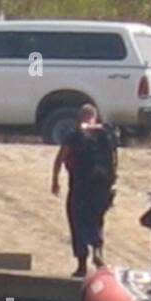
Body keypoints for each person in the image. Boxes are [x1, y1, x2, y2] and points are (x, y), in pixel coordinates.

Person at [51, 104, 118, 276]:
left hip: (80, 186)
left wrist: (55, 181)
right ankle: (97, 250)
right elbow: (114, 160)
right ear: (95, 117)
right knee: (97, 220)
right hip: (102, 187)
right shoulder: (106, 133)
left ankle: (82, 265)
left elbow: (61, 157)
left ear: (79, 117)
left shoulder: (75, 135)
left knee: (78, 222)